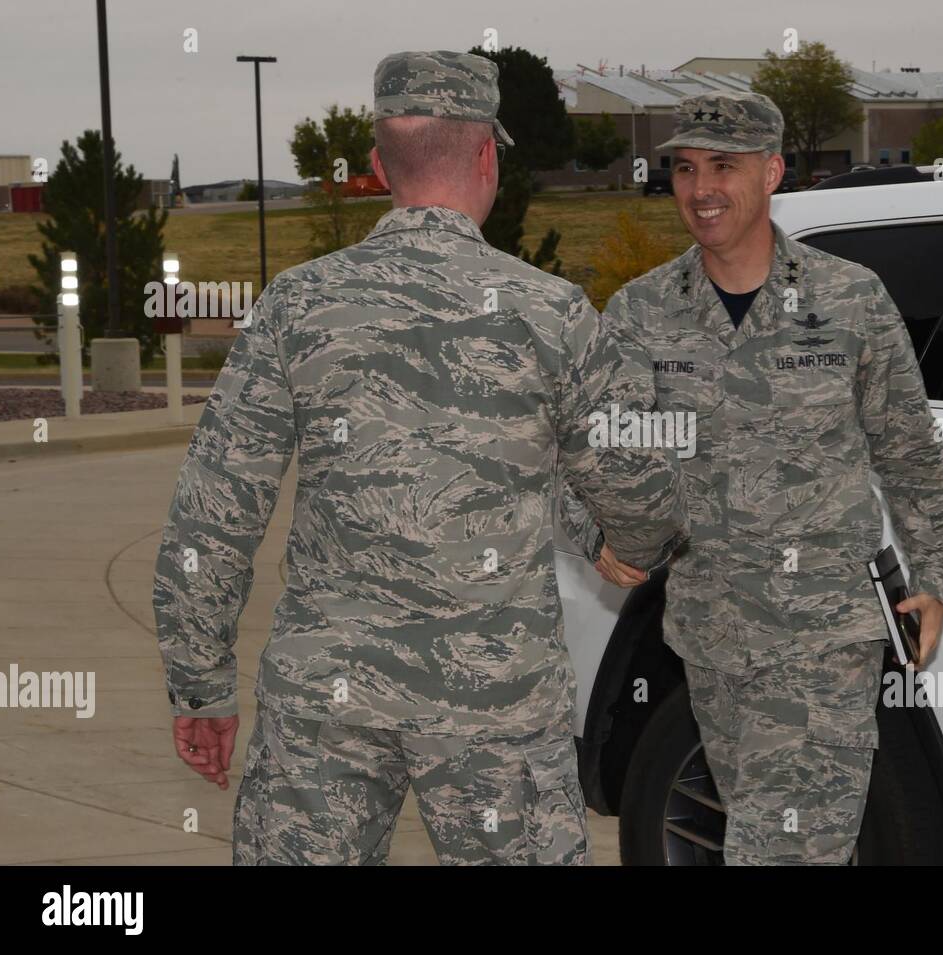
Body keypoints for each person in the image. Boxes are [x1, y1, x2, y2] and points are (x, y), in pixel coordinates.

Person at [152, 50, 688, 865]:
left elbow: (212, 515)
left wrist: (200, 683)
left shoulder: (296, 307)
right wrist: (628, 543)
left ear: (376, 165)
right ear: (487, 155)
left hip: (325, 704)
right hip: (495, 706)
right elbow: (643, 490)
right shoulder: (552, 313)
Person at [561, 90, 943, 864]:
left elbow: (914, 454)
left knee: (782, 846)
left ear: (774, 170)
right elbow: (584, 451)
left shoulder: (850, 300)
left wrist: (940, 576)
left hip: (825, 637)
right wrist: (591, 534)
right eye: (685, 168)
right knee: (759, 832)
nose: (702, 188)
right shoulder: (641, 313)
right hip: (708, 641)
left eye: (725, 166)